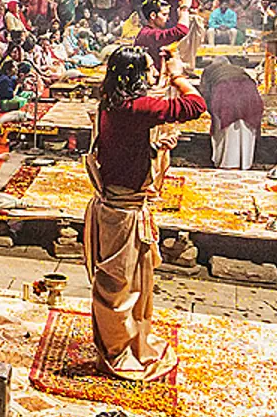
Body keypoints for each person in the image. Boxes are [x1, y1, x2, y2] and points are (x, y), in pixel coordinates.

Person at [86, 46, 205, 382]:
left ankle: (131, 342)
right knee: (118, 288)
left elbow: (120, 145)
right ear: (135, 76)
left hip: (122, 203)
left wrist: (152, 148)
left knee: (134, 284)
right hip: (121, 212)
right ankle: (116, 350)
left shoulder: (115, 102)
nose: (154, 75)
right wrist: (179, 76)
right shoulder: (135, 107)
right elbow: (196, 106)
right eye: (149, 69)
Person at [200, 56, 263, 170]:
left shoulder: (209, 70)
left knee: (226, 132)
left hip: (224, 92)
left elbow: (205, 92)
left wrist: (209, 112)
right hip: (250, 93)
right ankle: (245, 163)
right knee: (246, 129)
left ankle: (226, 163)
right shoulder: (238, 69)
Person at [133, 0, 191, 71]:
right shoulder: (147, 34)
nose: (168, 18)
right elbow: (180, 31)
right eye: (164, 14)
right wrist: (184, 9)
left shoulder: (149, 32)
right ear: (153, 16)